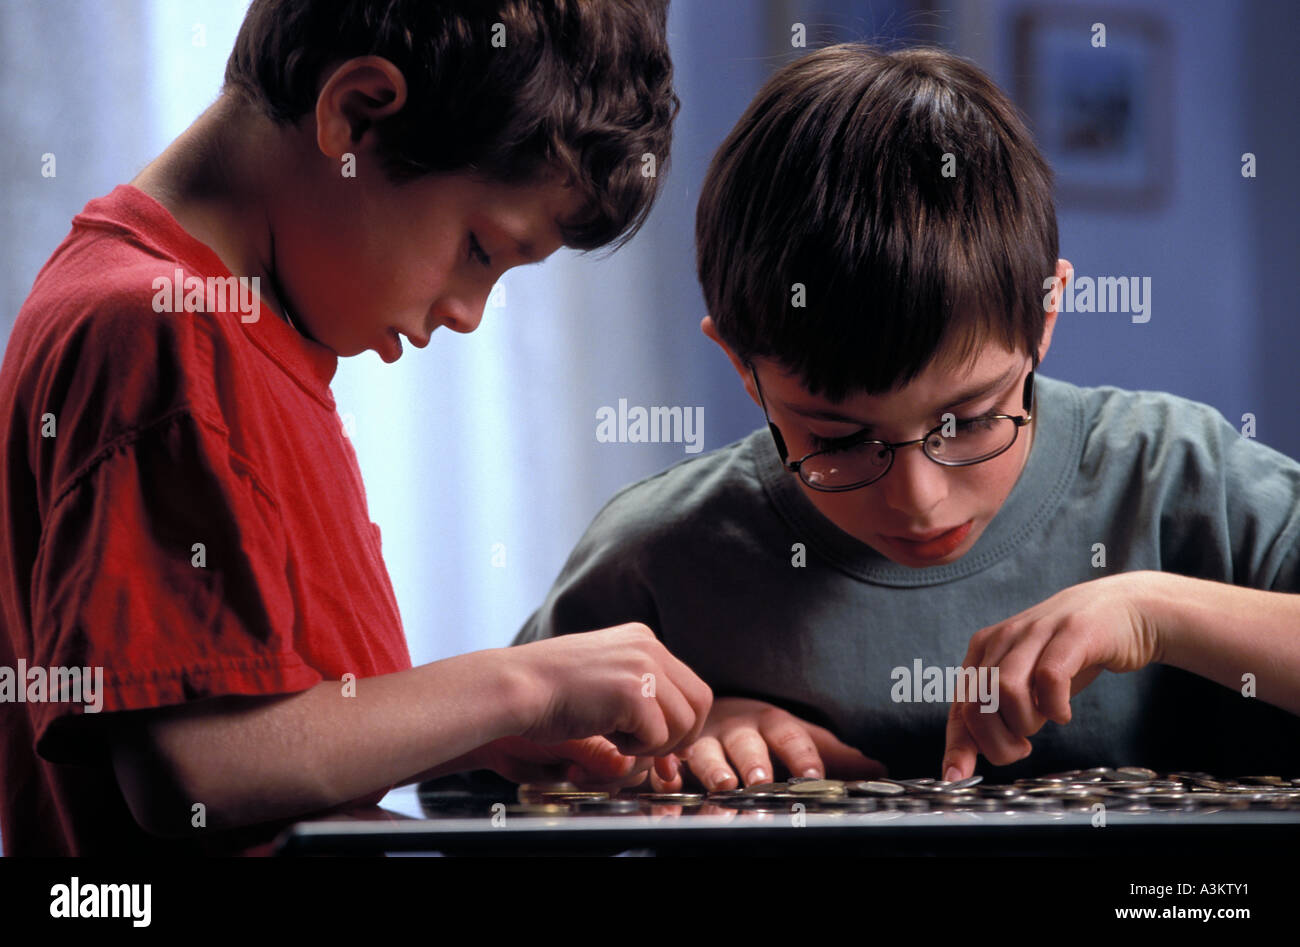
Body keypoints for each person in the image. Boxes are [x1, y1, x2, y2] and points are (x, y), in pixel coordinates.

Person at [0, 0, 711, 856]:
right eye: (482, 249)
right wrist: (524, 682)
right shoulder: (162, 328)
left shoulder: (243, 329)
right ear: (356, 116)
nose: (468, 314)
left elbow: (285, 718)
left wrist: (474, 735)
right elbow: (194, 769)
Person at [514, 43, 1300, 793]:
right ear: (741, 366)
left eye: (969, 420)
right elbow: (497, 765)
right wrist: (669, 739)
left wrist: (1158, 611)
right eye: (838, 438)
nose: (918, 498)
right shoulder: (658, 554)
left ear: (1047, 312)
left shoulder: (1183, 481)